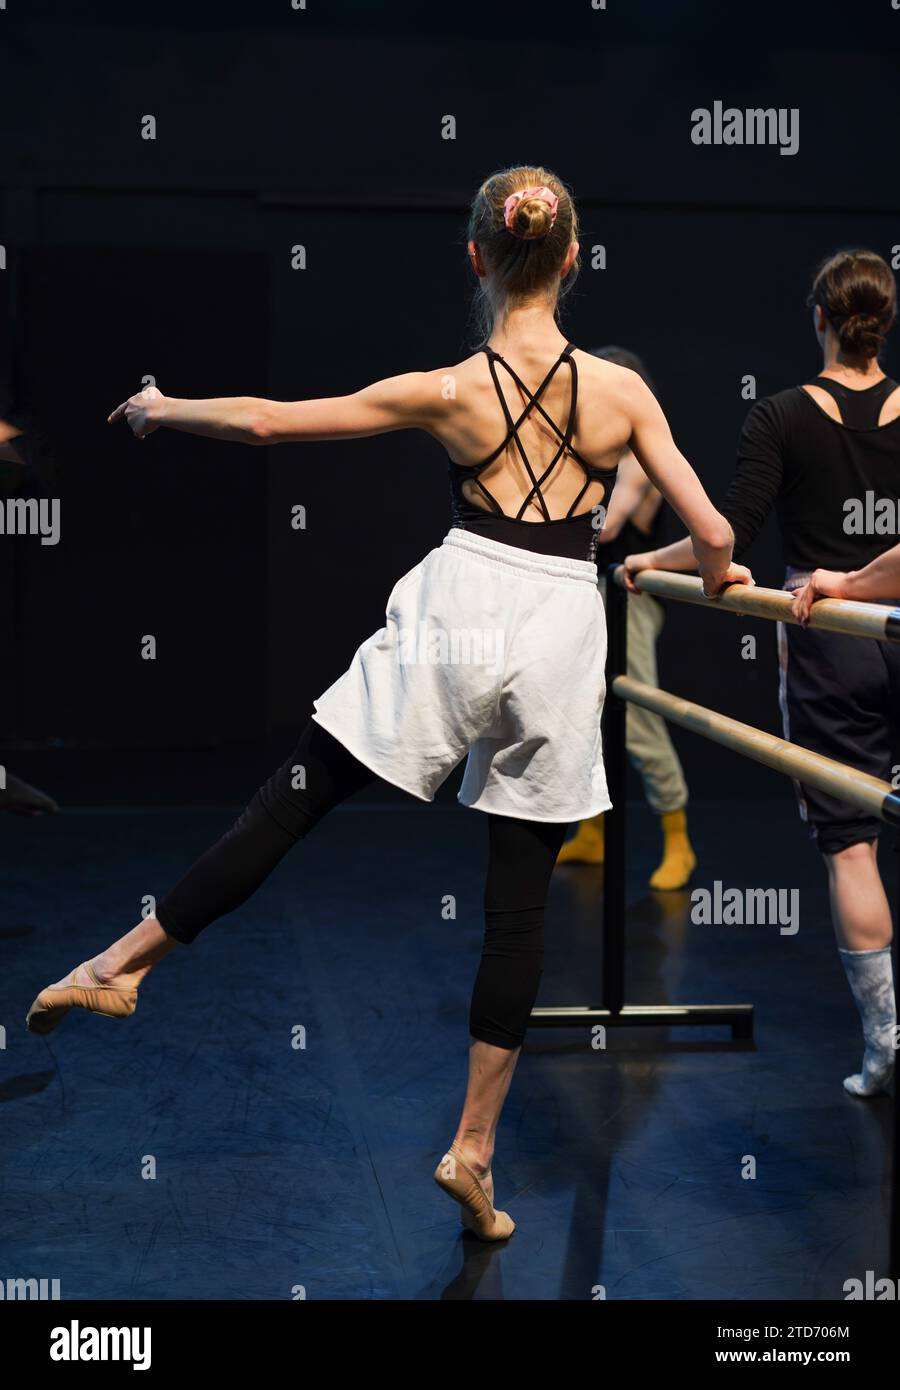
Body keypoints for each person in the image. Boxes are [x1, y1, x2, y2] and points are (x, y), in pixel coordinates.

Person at [26, 165, 742, 1239]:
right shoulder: (623, 393)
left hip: (461, 605)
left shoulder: (450, 388)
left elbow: (271, 424)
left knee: (296, 799)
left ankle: (120, 965)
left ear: (475, 259)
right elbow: (722, 538)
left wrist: (164, 406)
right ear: (576, 259)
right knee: (518, 903)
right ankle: (474, 1150)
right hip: (560, 623)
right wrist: (685, 568)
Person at [624, 248, 900, 1098]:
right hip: (880, 622)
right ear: (883, 323)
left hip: (832, 643)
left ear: (818, 317)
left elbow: (727, 539)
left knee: (854, 849)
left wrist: (646, 562)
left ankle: (887, 1045)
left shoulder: (780, 415)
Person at [557, 347, 695, 889]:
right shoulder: (597, 452)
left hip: (629, 600)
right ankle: (591, 831)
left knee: (639, 721)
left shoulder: (641, 457)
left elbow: (607, 526)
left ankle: (679, 839)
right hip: (587, 594)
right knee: (580, 717)